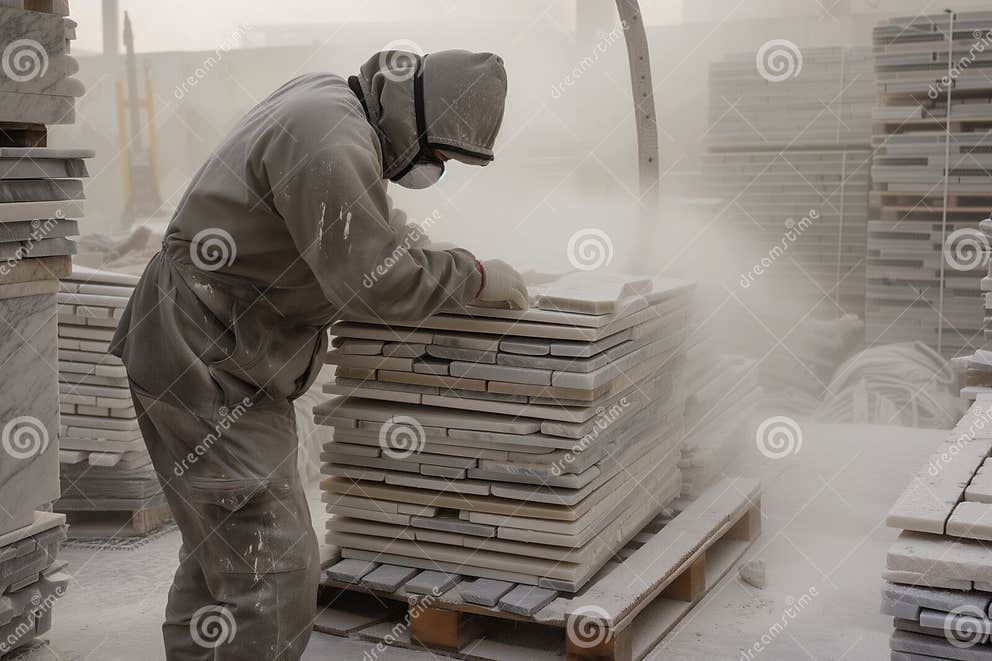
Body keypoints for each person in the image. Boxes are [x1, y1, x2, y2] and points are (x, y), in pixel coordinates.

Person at [110, 48, 527, 660]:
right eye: (439, 155)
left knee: (223, 551)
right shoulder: (331, 140)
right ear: (416, 119)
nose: (435, 169)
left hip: (214, 343)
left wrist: (411, 245)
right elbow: (372, 284)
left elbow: (347, 219)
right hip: (204, 355)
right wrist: (475, 277)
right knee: (275, 567)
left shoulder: (332, 100)